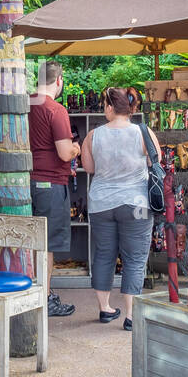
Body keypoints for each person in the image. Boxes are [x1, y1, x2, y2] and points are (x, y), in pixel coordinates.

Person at [80, 87, 157, 330]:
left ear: (111, 108)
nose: (104, 110)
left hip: (101, 204)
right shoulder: (142, 132)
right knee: (135, 258)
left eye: (104, 105)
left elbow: (89, 168)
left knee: (104, 254)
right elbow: (157, 161)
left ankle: (105, 309)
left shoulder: (93, 135)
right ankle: (131, 315)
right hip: (137, 205)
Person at [28, 60, 79, 317]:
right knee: (46, 245)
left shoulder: (24, 105)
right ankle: (45, 297)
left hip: (25, 182)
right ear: (58, 81)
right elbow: (63, 152)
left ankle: (28, 293)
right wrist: (76, 148)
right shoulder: (55, 110)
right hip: (50, 184)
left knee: (28, 241)